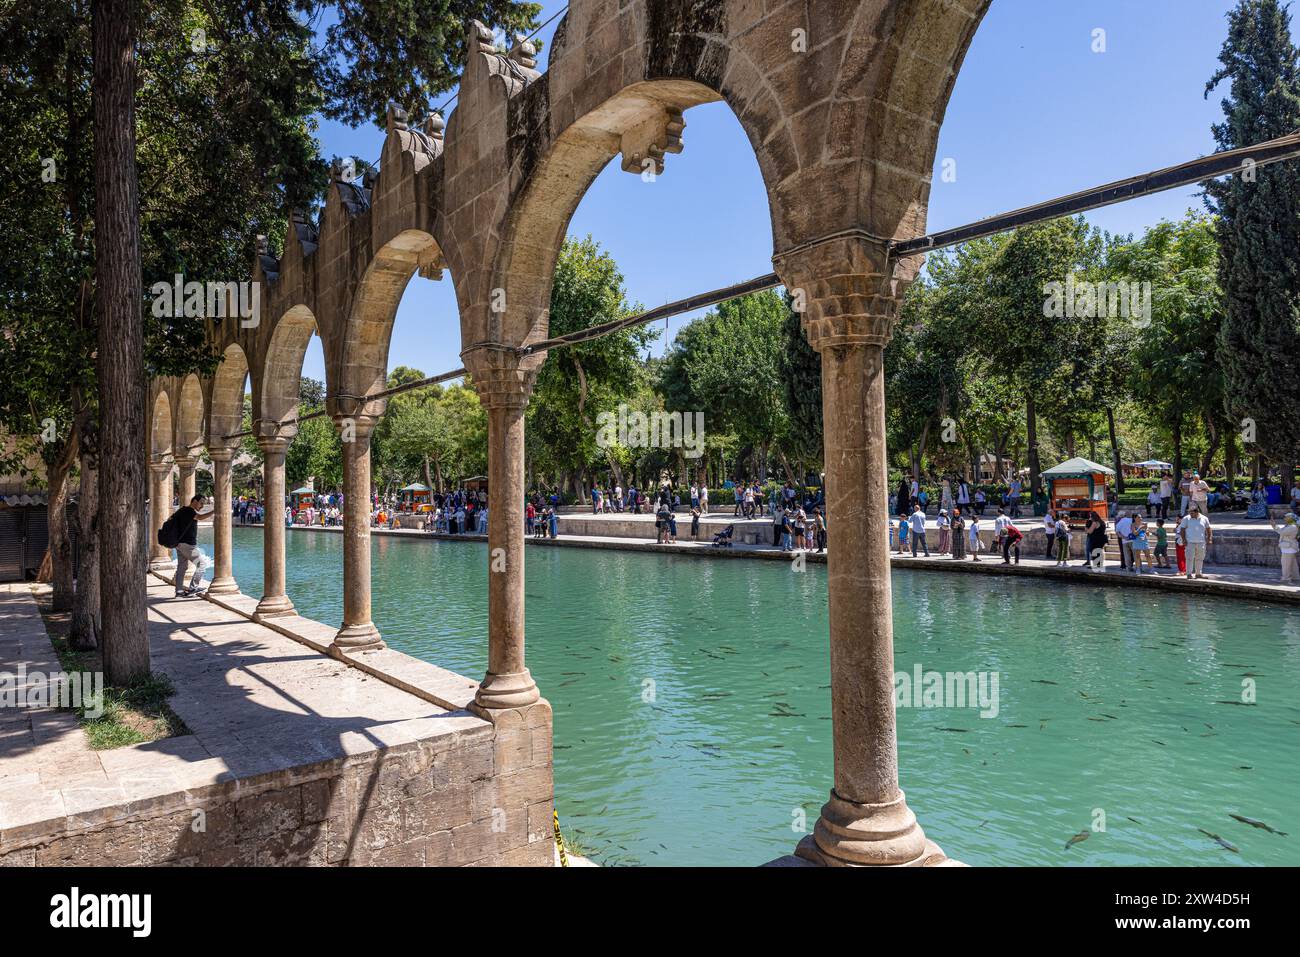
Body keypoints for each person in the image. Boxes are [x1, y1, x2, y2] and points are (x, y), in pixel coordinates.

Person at [163, 495, 214, 597]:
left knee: (182, 567)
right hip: (187, 544)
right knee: (202, 564)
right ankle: (193, 588)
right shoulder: (189, 511)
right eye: (201, 503)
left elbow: (170, 519)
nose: (202, 506)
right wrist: (214, 511)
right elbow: (200, 517)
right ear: (195, 501)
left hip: (179, 543)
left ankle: (179, 591)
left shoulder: (181, 510)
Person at [1177, 505, 1212, 579]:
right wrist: (1184, 540)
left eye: (1192, 513)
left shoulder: (1204, 518)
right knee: (1189, 558)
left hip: (1201, 542)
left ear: (1197, 512)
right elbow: (1182, 530)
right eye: (1189, 513)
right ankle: (1189, 574)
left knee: (1200, 558)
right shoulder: (1186, 518)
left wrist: (1209, 538)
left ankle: (1198, 573)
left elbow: (1208, 529)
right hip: (1189, 542)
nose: (1190, 514)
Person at [1269, 512, 1298, 583]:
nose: (1284, 518)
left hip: (1288, 548)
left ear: (1290, 518)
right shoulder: (1291, 525)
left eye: (1286, 517)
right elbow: (1282, 531)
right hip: (1289, 548)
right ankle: (1296, 577)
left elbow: (1281, 532)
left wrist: (1274, 525)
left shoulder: (1292, 527)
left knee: (1286, 564)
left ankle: (1286, 578)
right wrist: (1274, 525)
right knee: (1293, 565)